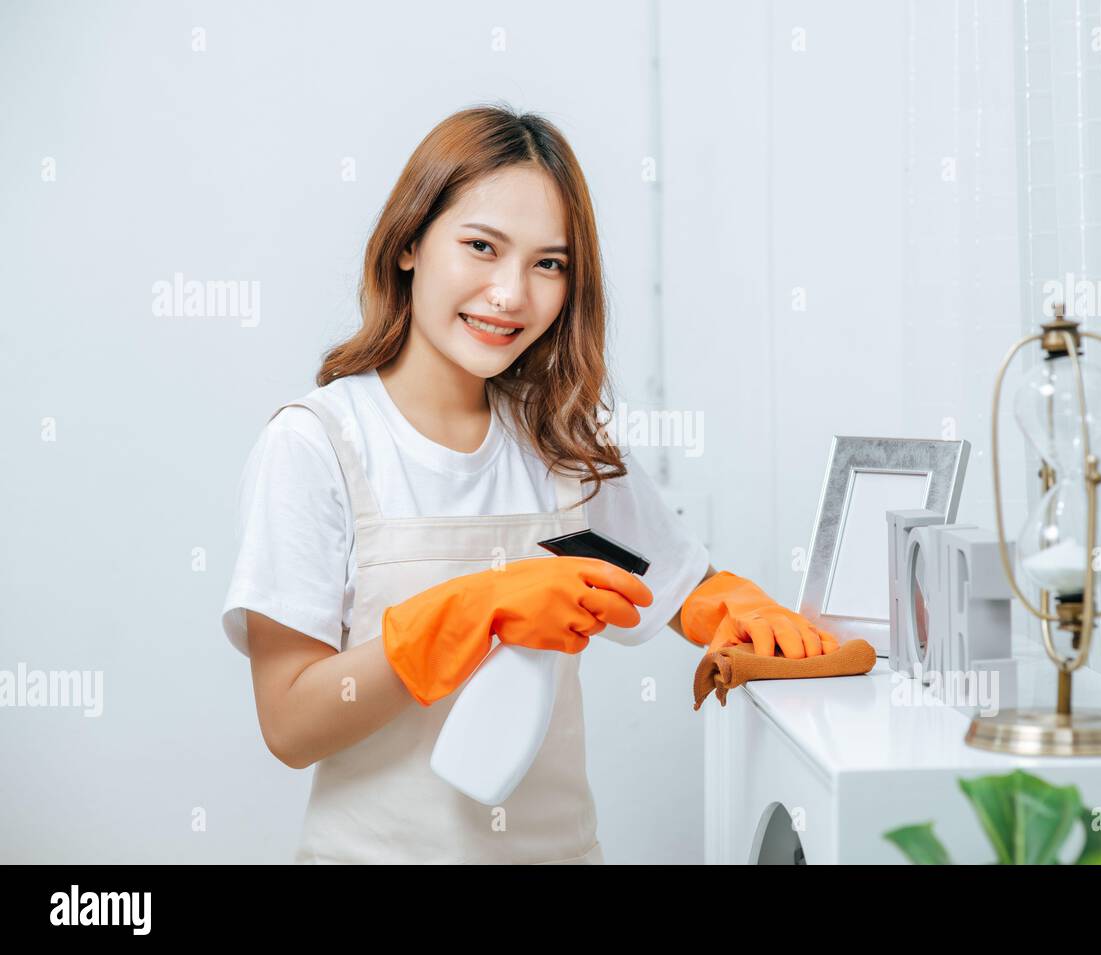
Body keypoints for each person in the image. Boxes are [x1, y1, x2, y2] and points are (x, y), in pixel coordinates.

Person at [220, 104, 839, 864]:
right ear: (409, 241)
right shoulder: (319, 446)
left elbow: (679, 585)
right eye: (482, 246)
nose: (512, 294)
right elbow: (289, 721)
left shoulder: (559, 441)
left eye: (549, 263)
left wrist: (730, 607)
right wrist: (474, 609)